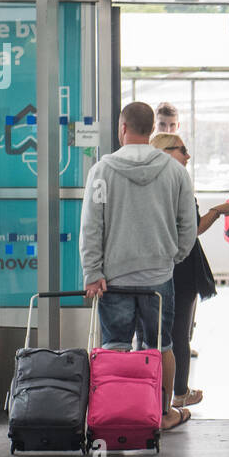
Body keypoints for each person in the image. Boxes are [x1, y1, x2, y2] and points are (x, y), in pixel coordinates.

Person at [79, 101, 196, 431]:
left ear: (122, 128)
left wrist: (93, 272)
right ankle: (160, 414)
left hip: (114, 277)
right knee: (161, 346)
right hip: (158, 275)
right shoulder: (174, 171)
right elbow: (187, 223)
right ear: (153, 130)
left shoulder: (102, 171)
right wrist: (175, 256)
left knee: (115, 347)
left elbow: (91, 226)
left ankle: (115, 414)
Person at [151, 132, 229, 418]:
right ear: (165, 152)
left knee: (154, 334)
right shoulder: (180, 185)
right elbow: (195, 229)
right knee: (178, 334)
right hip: (180, 269)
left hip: (153, 267)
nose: (188, 155)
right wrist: (217, 211)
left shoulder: (148, 185)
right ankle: (179, 393)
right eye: (182, 150)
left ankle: (153, 393)